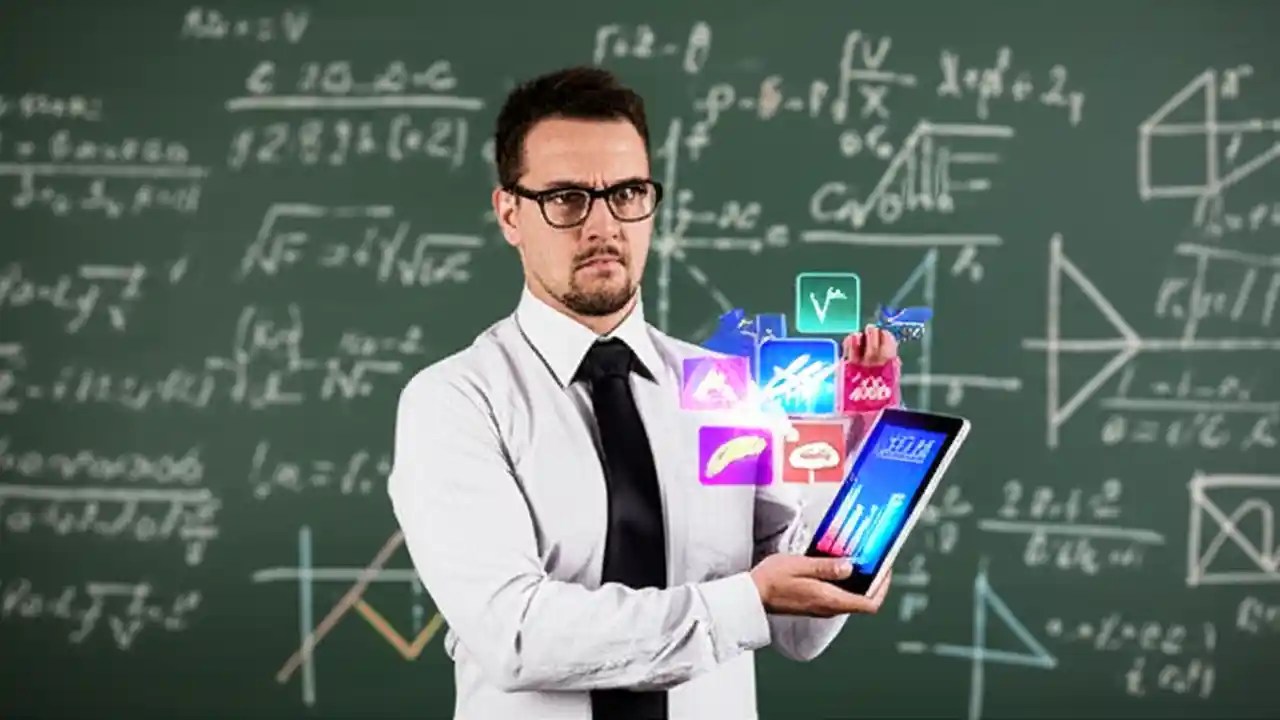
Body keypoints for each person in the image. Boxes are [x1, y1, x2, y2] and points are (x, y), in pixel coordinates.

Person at [387, 65, 902, 720]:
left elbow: (799, 629)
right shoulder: (457, 401)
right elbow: (516, 634)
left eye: (627, 192)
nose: (603, 225)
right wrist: (739, 603)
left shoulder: (724, 390)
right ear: (510, 213)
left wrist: (858, 469)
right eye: (567, 198)